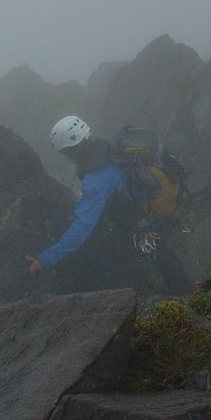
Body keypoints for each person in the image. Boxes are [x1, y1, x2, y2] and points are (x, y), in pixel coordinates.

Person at [26, 115, 193, 297]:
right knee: (153, 249)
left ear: (71, 151)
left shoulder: (96, 181)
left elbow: (82, 228)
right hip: (148, 200)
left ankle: (186, 292)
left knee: (154, 250)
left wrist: (44, 260)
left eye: (66, 153)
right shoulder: (109, 149)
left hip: (145, 216)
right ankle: (184, 290)